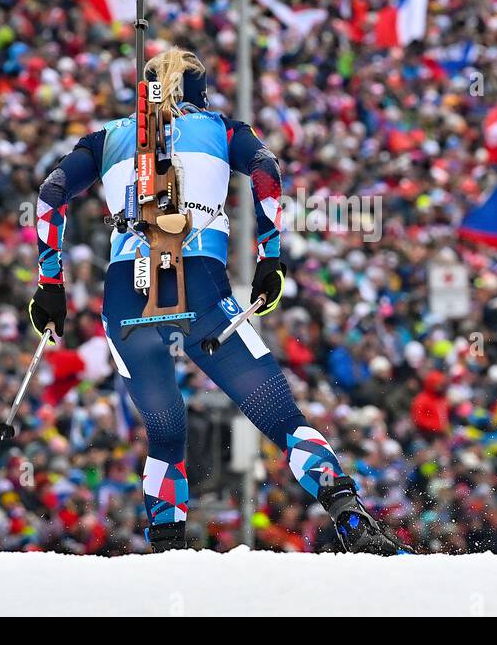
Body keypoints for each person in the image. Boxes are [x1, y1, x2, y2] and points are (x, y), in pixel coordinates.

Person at [26, 47, 403, 555]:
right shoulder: (223, 128)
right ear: (198, 91)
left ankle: (168, 551)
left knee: (166, 435)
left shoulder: (106, 137)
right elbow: (267, 172)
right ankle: (347, 513)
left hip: (126, 298)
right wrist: (271, 257)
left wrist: (51, 285)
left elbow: (51, 194)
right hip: (201, 284)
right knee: (279, 415)